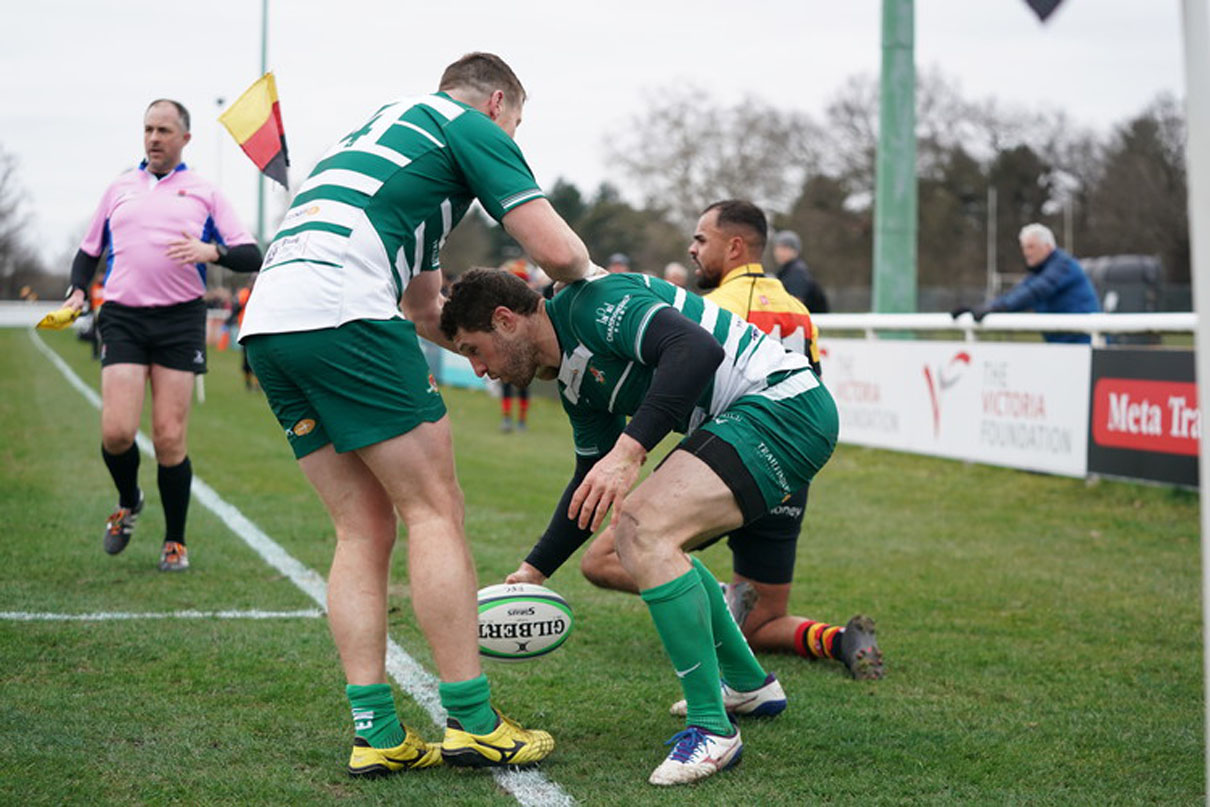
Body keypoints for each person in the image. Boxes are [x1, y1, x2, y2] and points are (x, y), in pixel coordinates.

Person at [238, 53, 598, 778]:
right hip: (344, 312)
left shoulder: (382, 134)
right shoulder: (467, 122)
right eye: (516, 125)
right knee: (435, 509)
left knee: (360, 527)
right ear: (498, 103)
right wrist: (578, 317)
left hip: (270, 321)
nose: (513, 137)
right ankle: (472, 721)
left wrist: (488, 348)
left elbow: (424, 310)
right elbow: (564, 254)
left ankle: (375, 731)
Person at [440, 262, 839, 787]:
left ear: (506, 319)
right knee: (639, 534)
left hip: (784, 406)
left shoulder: (591, 302)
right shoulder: (574, 383)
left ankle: (713, 729)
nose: (478, 370)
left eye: (474, 349)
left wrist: (631, 452)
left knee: (642, 527)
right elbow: (591, 480)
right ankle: (747, 684)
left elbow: (696, 350)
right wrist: (533, 570)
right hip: (753, 415)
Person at [579, 200, 882, 681]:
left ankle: (721, 598)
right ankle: (840, 640)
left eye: (701, 239)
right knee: (763, 621)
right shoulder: (798, 309)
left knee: (604, 558)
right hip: (789, 474)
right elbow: (809, 381)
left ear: (734, 245)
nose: (692, 248)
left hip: (726, 464)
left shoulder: (712, 308)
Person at [62, 99, 262, 572]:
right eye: (148, 129)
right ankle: (129, 501)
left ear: (184, 139)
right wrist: (76, 292)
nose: (154, 138)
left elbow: (250, 253)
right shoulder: (119, 189)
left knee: (170, 439)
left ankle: (175, 540)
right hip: (124, 318)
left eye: (164, 130)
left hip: (179, 322)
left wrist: (210, 250)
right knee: (115, 433)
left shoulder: (204, 193)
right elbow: (89, 251)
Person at [951, 223, 1100, 344]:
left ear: (1047, 246)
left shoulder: (1064, 266)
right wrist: (982, 308)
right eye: (1023, 247)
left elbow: (1034, 292)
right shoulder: (1039, 273)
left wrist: (993, 308)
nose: (1026, 252)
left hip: (1085, 345)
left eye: (1031, 247)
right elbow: (1016, 294)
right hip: (1063, 347)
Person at [772, 230, 829, 314]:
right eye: (778, 248)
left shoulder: (797, 272)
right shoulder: (785, 271)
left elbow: (795, 305)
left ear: (795, 251)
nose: (780, 252)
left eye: (785, 248)